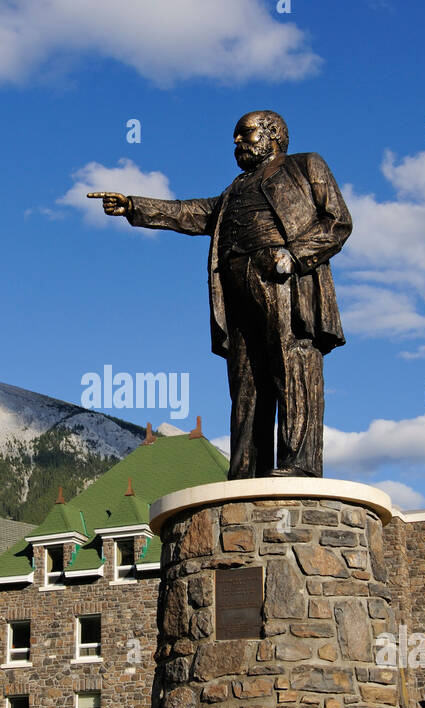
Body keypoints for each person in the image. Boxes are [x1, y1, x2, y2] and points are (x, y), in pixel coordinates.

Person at [90, 111, 352, 479]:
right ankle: (245, 469)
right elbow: (190, 212)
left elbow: (338, 221)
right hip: (236, 287)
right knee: (246, 381)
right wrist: (134, 205)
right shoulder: (234, 190)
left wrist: (293, 256)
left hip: (284, 281)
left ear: (273, 135)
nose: (237, 143)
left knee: (291, 366)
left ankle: (299, 464)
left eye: (244, 134)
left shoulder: (306, 166)